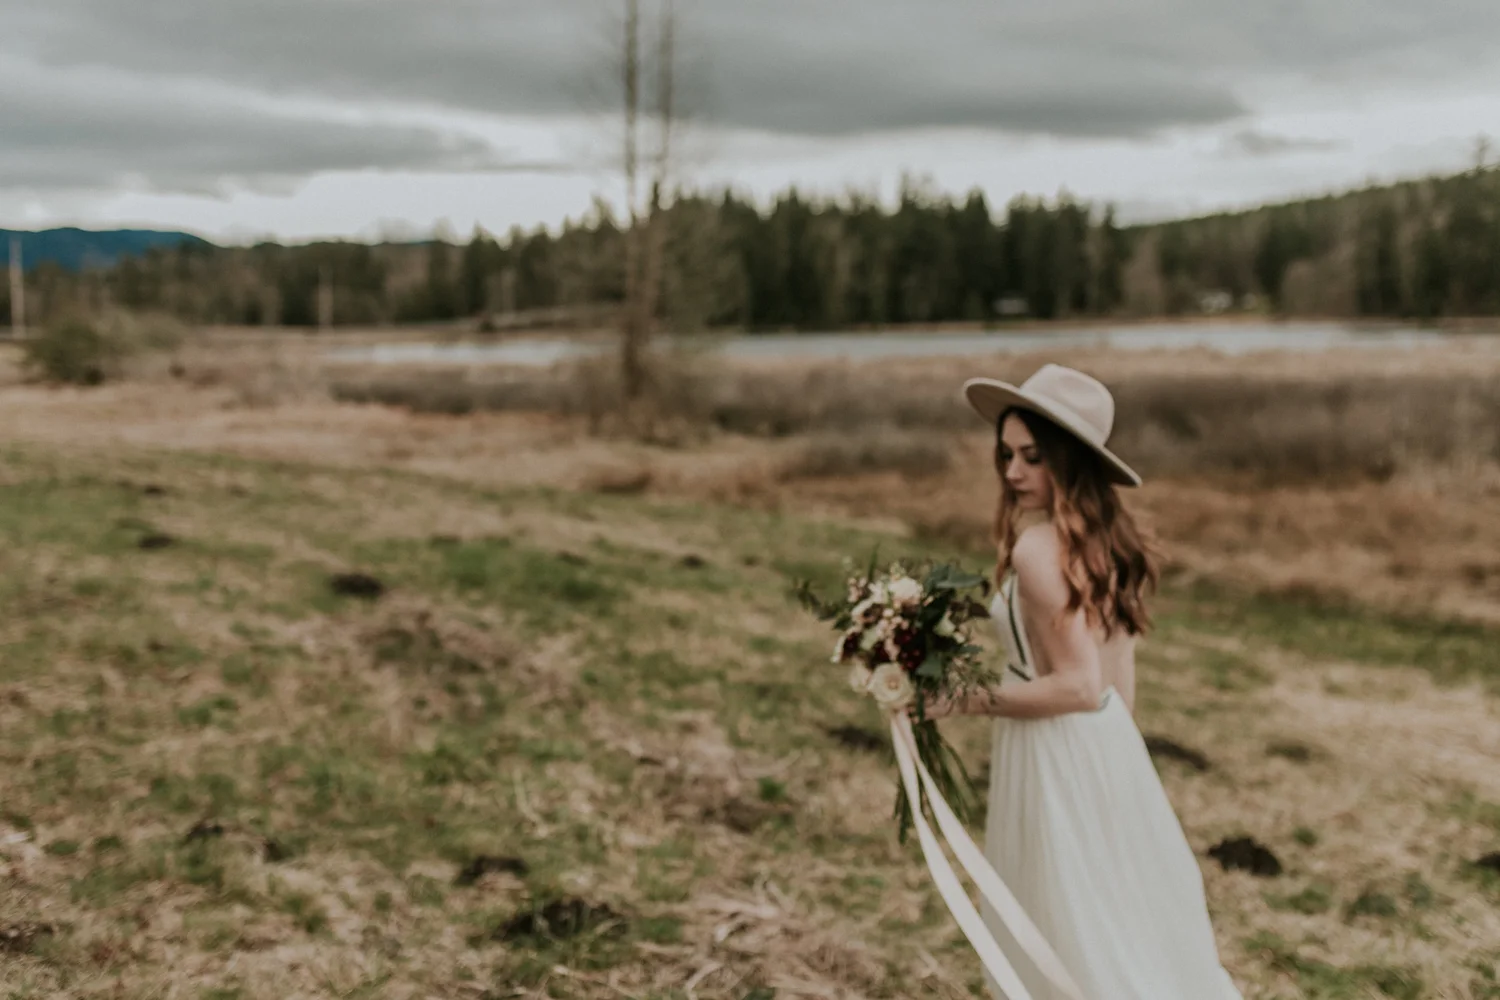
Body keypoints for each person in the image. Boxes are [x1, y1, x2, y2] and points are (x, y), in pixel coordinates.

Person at [918, 364, 1243, 999]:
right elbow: (1116, 688)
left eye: (1032, 457)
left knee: (1068, 930)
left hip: (1054, 747)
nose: (1012, 473)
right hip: (1102, 750)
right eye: (1006, 454)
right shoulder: (1104, 540)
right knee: (1109, 918)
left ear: (1067, 460)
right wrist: (1116, 772)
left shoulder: (1039, 550)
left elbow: (1078, 686)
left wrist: (962, 699)